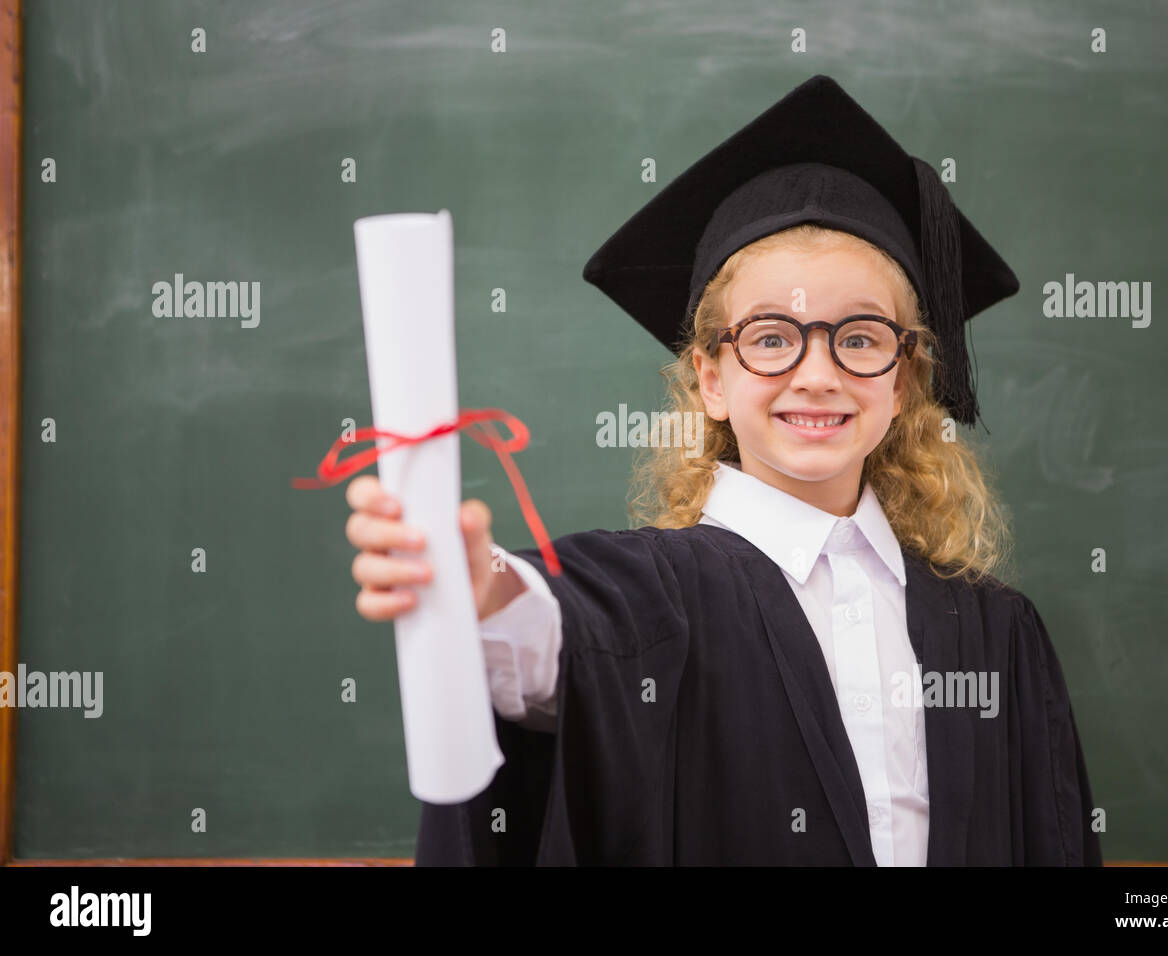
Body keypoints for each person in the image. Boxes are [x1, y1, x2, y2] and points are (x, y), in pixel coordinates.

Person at [345, 75, 1102, 866]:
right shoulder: (652, 598)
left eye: (863, 337)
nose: (818, 374)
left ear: (905, 378)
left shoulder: (993, 633)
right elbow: (556, 642)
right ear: (711, 377)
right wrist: (482, 593)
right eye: (772, 338)